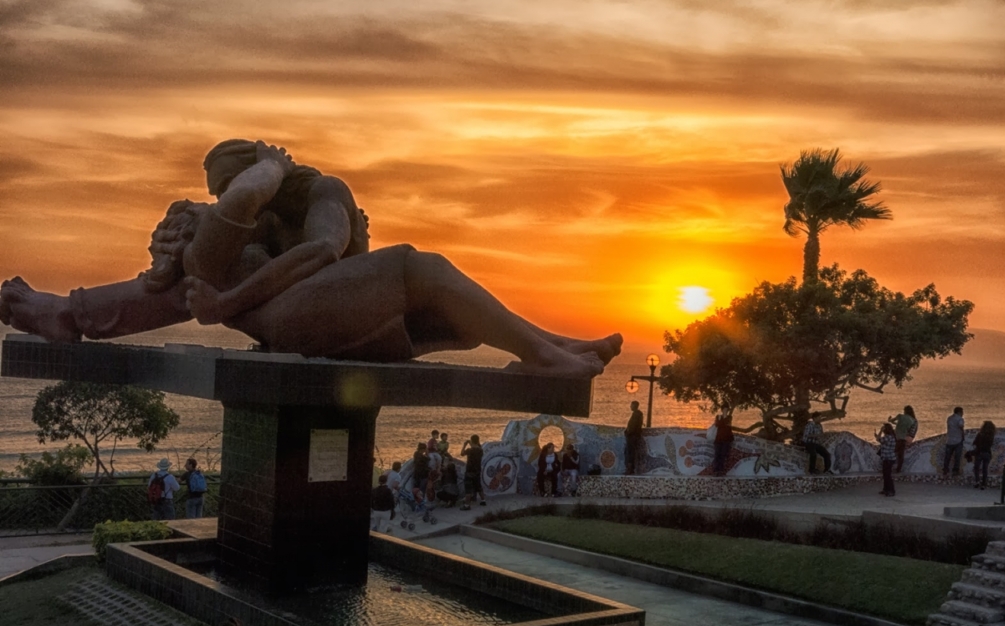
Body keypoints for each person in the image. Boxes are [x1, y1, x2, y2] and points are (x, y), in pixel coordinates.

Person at [1, 145, 623, 378]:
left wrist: (274, 168)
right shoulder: (232, 226)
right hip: (298, 321)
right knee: (417, 265)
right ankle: (546, 353)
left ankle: (555, 344)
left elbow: (323, 251)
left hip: (327, 322)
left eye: (227, 181)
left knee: (444, 303)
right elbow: (181, 280)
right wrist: (259, 178)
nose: (221, 196)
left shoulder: (323, 194)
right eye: (215, 189)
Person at [460, 434, 486, 510]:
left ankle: (467, 505)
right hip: (477, 471)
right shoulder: (480, 450)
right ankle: (483, 500)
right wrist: (472, 443)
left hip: (469, 471)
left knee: (468, 489)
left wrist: (465, 445)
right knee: (479, 487)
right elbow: (478, 446)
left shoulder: (469, 450)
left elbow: (462, 453)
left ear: (471, 441)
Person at [889, 405, 917, 473]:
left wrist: (890, 419)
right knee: (900, 456)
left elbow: (892, 421)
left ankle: (888, 467)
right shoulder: (913, 420)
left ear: (905, 411)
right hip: (904, 439)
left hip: (896, 438)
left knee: (891, 453)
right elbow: (911, 430)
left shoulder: (900, 416)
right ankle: (898, 469)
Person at [971, 420, 997, 490]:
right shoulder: (991, 436)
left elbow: (975, 443)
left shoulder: (980, 434)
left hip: (979, 453)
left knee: (976, 468)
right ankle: (984, 484)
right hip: (987, 453)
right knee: (985, 469)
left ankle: (977, 481)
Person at [942, 406, 966, 477]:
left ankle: (945, 470)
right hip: (958, 440)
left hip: (949, 440)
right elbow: (961, 426)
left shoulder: (949, 418)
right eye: (962, 412)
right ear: (959, 412)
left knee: (947, 456)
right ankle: (955, 471)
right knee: (957, 456)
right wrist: (963, 434)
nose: (963, 414)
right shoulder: (960, 419)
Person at [875, 423, 897, 497]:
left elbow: (878, 439)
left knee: (887, 476)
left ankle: (891, 490)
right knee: (885, 475)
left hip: (888, 459)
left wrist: (880, 431)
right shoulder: (891, 437)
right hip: (888, 458)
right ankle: (886, 489)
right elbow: (880, 440)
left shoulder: (888, 437)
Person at [624, 401, 644, 475]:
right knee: (631, 452)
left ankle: (630, 469)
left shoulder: (636, 414)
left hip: (632, 436)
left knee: (630, 453)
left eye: (631, 405)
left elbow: (633, 426)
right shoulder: (638, 414)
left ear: (635, 406)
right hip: (634, 436)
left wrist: (628, 432)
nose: (630, 406)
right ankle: (631, 469)